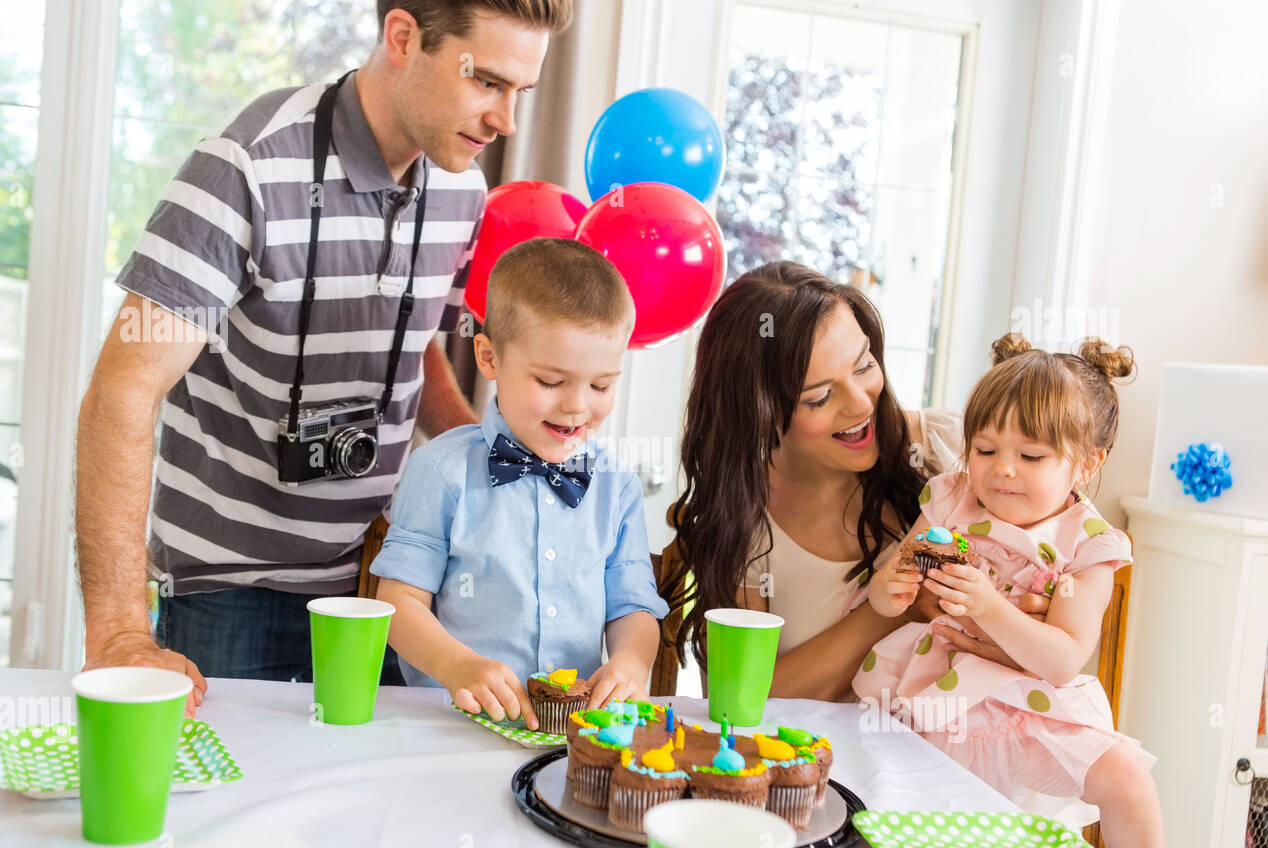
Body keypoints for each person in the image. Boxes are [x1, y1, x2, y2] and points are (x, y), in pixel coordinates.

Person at [74, 0, 573, 713]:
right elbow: (122, 390)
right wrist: (119, 631)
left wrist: (486, 451)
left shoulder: (462, 188)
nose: (507, 121)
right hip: (233, 593)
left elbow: (411, 339)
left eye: (520, 92)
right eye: (487, 82)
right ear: (403, 37)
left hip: (380, 585)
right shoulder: (246, 166)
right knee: (226, 820)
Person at [854, 333, 1164, 848]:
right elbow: (886, 595)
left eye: (1031, 456)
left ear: (1086, 463)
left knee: (1127, 776)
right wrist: (890, 587)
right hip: (939, 690)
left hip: (1032, 704)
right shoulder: (952, 499)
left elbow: (1064, 655)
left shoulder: (1088, 544)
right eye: (986, 449)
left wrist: (989, 607)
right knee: (930, 836)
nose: (1002, 471)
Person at [666, 262, 1046, 701]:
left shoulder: (957, 447)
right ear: (758, 413)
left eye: (864, 365)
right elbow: (740, 699)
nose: (860, 403)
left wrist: (1031, 613)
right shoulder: (747, 519)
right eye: (820, 397)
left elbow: (1066, 553)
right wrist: (895, 609)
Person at [368, 239, 668, 727]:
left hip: (574, 734)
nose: (576, 406)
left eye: (601, 385)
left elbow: (632, 606)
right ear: (488, 358)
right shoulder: (440, 472)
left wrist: (631, 663)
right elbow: (398, 603)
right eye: (551, 382)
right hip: (451, 725)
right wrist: (455, 664)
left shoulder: (617, 486)